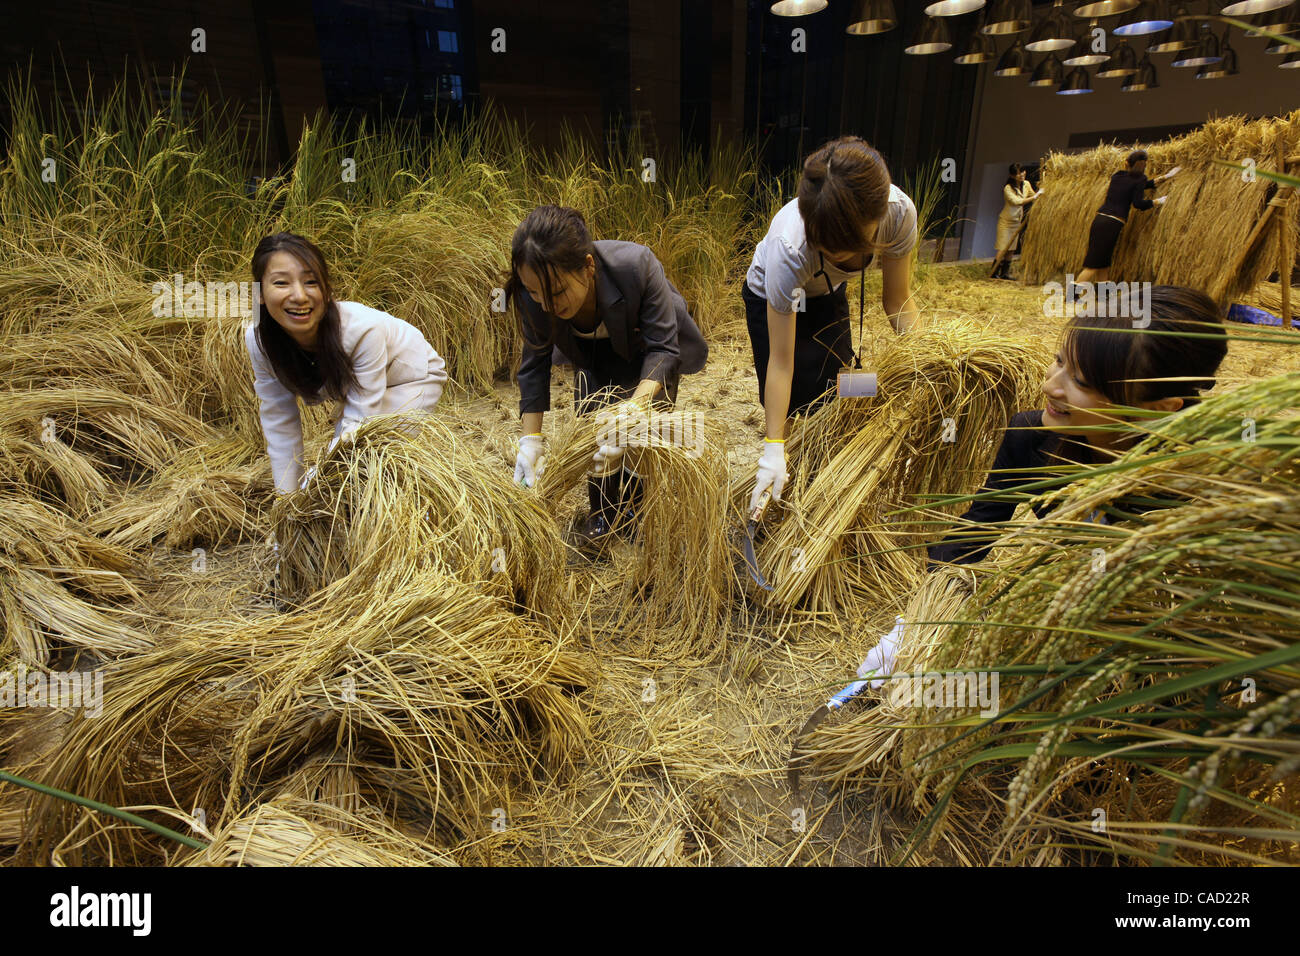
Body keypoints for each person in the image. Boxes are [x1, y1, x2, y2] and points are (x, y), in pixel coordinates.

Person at [927, 285, 1228, 566]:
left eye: (1081, 381)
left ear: (1156, 409)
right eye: (1059, 362)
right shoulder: (1030, 436)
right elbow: (980, 527)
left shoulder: (1202, 477)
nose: (1050, 387)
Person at [506, 204, 707, 554]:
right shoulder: (534, 292)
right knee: (593, 426)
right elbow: (534, 364)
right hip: (592, 357)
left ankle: (633, 509)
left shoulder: (637, 266)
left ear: (587, 267)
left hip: (648, 353)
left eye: (556, 292)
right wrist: (530, 440)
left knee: (637, 433)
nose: (547, 305)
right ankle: (602, 514)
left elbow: (662, 349)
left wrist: (633, 409)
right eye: (536, 293)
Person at [744, 135, 920, 513]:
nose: (836, 254)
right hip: (771, 295)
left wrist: (925, 361)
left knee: (842, 387)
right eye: (825, 245)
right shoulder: (789, 248)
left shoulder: (899, 214)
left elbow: (897, 301)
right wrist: (772, 448)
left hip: (826, 291)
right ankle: (778, 490)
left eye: (846, 246)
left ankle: (828, 484)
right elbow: (781, 362)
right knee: (790, 401)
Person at [245, 232, 448, 495]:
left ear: (326, 289)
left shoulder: (361, 331)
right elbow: (279, 420)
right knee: (325, 476)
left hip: (414, 377)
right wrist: (287, 502)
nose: (299, 296)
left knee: (368, 457)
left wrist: (310, 491)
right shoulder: (259, 340)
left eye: (310, 282)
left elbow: (359, 425)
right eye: (281, 283)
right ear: (259, 293)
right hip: (364, 387)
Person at [1075, 150, 1180, 289]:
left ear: (1127, 163)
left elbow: (1136, 185)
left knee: (1104, 261)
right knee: (1093, 264)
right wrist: (1157, 202)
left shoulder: (1117, 176)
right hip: (1112, 224)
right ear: (1144, 165)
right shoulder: (1140, 179)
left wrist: (1165, 177)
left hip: (1100, 220)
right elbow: (1137, 203)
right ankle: (1072, 296)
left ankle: (1102, 296)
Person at [989, 164, 1042, 281]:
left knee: (1011, 249)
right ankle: (994, 273)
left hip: (1017, 221)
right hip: (1006, 222)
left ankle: (1004, 274)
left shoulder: (1026, 184)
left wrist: (1039, 192)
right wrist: (1035, 197)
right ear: (1012, 175)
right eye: (1018, 173)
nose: (1021, 175)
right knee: (1003, 248)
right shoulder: (1008, 188)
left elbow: (1034, 196)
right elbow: (1017, 202)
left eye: (1022, 172)